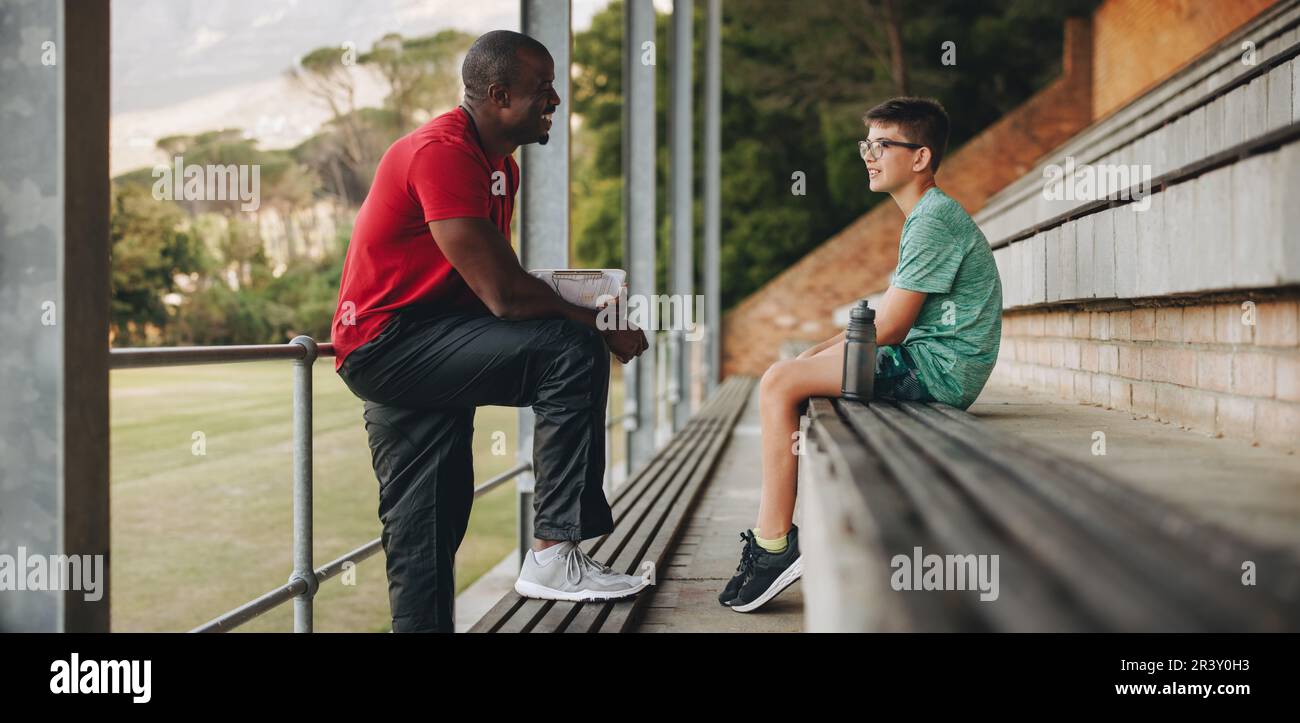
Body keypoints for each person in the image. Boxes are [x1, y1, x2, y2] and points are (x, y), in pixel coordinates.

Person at [331, 30, 650, 633]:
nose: (555, 100)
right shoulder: (442, 153)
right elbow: (503, 296)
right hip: (390, 344)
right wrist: (598, 324)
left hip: (431, 338)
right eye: (543, 90)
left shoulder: (498, 165)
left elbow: (490, 280)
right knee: (572, 350)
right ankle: (555, 552)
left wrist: (578, 300)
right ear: (500, 95)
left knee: (428, 523)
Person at [719, 97, 1003, 613]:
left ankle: (773, 546)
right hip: (931, 362)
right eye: (865, 145)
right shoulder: (925, 216)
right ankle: (773, 540)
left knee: (780, 382)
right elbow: (889, 320)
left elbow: (891, 327)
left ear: (920, 157)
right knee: (789, 374)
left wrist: (808, 362)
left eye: (882, 145)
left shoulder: (934, 219)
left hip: (940, 372)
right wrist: (814, 355)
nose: (868, 155)